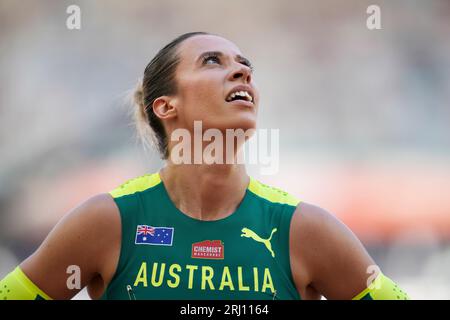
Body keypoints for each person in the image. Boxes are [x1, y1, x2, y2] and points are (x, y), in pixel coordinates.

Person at [0, 32, 409, 300]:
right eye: (213, 61)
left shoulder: (304, 229)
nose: (242, 71)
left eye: (245, 64)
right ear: (165, 106)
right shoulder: (108, 221)